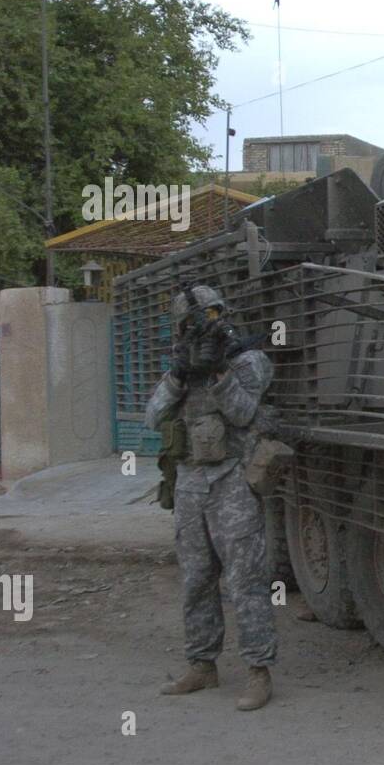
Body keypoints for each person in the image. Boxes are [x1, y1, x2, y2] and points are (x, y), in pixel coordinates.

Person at [145, 285, 277, 711]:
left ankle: (259, 673)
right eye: (196, 322)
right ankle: (202, 665)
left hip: (232, 481)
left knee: (246, 582)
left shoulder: (248, 360)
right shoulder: (182, 367)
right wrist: (180, 375)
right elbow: (153, 417)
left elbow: (242, 413)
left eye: (214, 315)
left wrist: (218, 371)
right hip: (189, 483)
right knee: (196, 580)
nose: (207, 326)